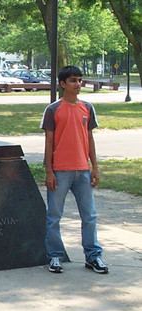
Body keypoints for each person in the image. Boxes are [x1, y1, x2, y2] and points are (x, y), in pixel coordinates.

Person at [41, 65, 109, 274]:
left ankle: (93, 256)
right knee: (54, 216)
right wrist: (49, 171)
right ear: (63, 84)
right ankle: (55, 256)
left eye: (79, 80)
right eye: (73, 80)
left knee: (89, 215)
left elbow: (90, 139)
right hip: (60, 170)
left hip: (82, 170)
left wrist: (94, 167)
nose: (78, 84)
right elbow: (49, 142)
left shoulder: (87, 108)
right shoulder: (53, 110)